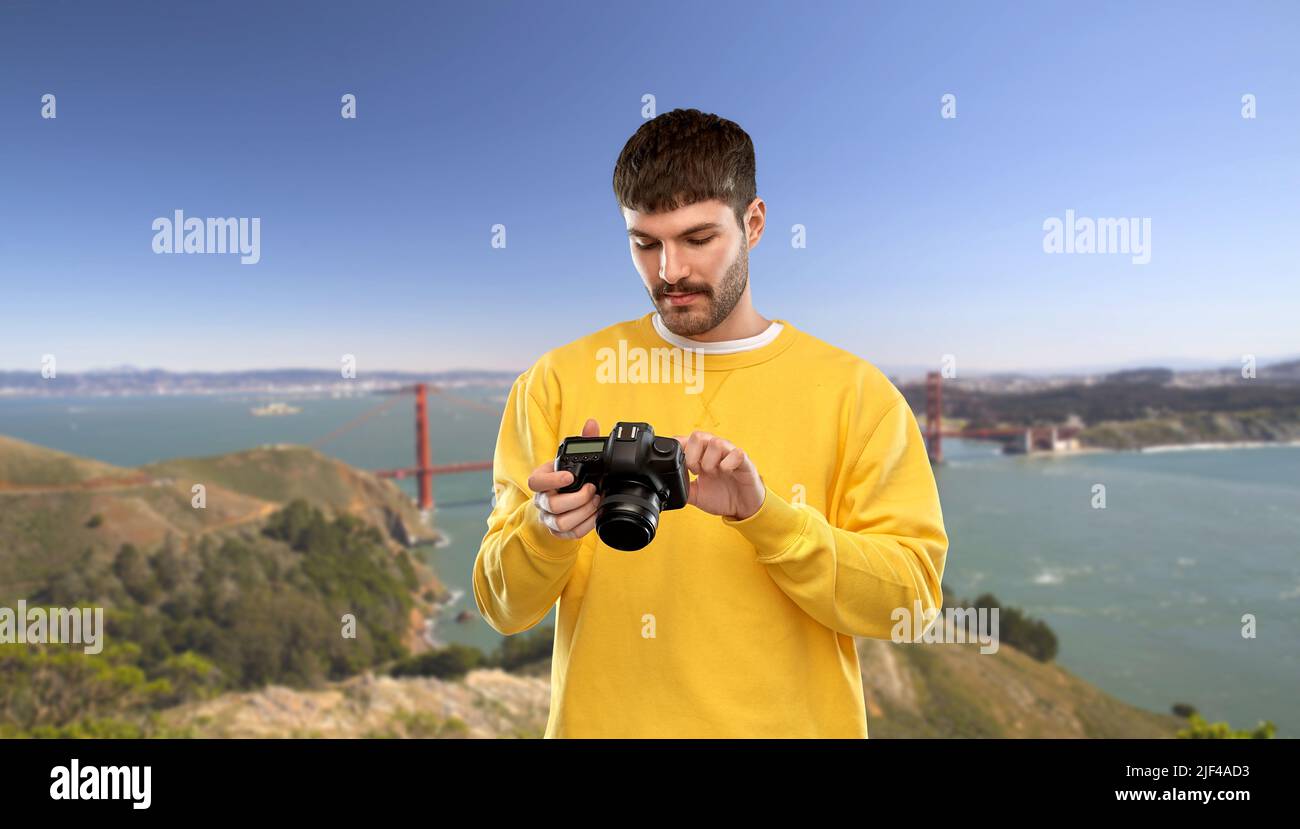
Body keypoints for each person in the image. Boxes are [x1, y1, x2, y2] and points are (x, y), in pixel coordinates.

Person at [472, 107, 949, 738]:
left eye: (698, 239)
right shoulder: (555, 381)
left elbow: (910, 606)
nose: (669, 271)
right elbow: (502, 608)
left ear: (753, 223)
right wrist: (545, 531)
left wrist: (767, 519)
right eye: (645, 243)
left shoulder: (858, 395)